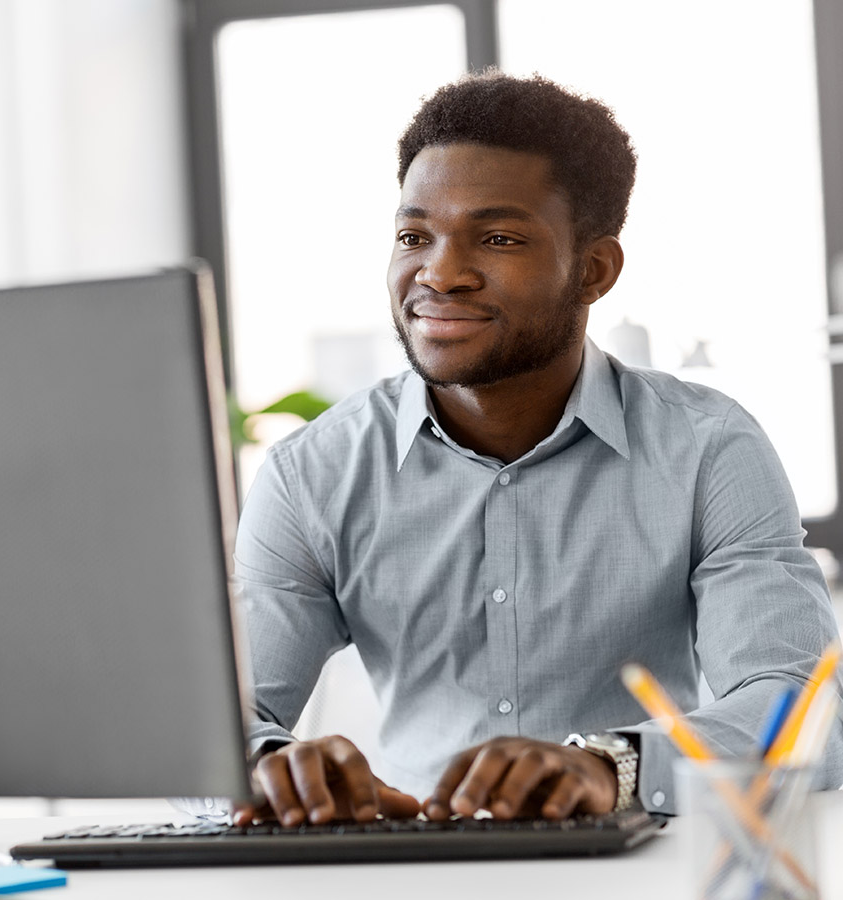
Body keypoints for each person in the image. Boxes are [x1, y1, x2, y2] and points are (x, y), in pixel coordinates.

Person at [231, 69, 843, 827]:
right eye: (413, 236)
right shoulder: (310, 474)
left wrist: (608, 767)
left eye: (497, 238)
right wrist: (268, 768)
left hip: (641, 872)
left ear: (594, 270)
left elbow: (802, 710)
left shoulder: (709, 449)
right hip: (413, 872)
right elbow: (222, 718)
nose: (439, 273)